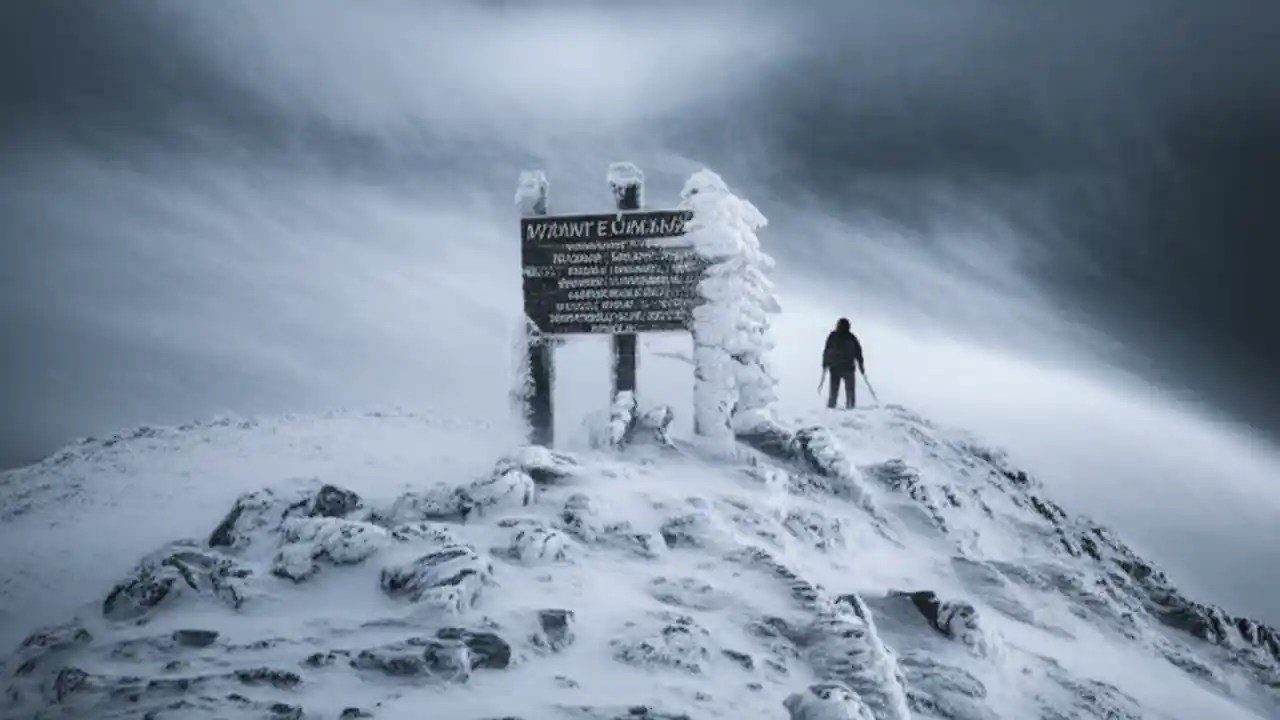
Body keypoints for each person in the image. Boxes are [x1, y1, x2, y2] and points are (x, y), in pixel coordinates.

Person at [822, 318, 864, 409]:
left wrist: (825, 364)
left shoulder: (833, 336)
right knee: (850, 390)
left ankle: (832, 406)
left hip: (835, 367)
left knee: (834, 390)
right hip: (848, 367)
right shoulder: (851, 337)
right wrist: (861, 365)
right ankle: (850, 406)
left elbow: (827, 351)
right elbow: (858, 352)